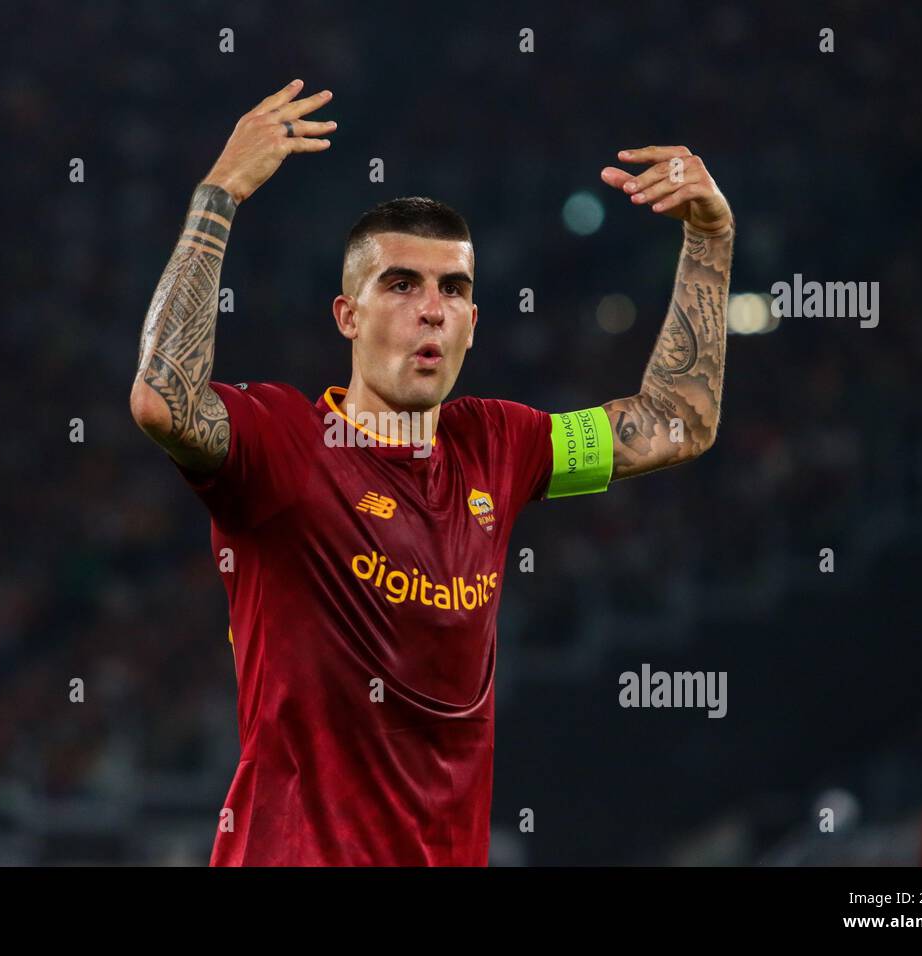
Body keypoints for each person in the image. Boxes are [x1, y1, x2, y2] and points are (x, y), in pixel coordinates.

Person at [130, 78, 734, 865]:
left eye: (454, 289)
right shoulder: (286, 443)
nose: (432, 308)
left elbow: (676, 422)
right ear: (348, 315)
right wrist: (218, 197)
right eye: (402, 284)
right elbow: (163, 401)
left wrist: (710, 239)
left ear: (473, 324)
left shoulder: (499, 445)